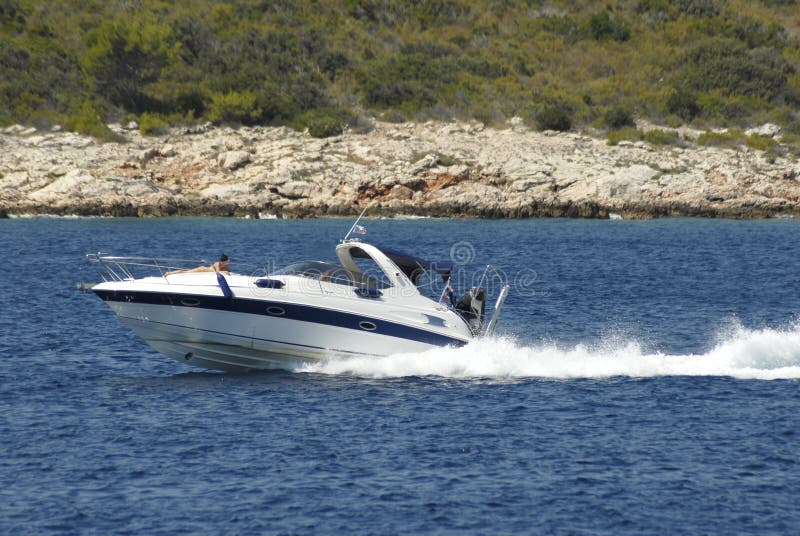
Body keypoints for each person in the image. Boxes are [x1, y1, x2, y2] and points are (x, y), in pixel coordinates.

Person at [165, 254, 230, 276]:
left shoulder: (224, 266)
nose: (229, 261)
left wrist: (226, 270)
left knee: (186, 271)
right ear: (225, 261)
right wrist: (225, 271)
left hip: (204, 271)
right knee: (185, 272)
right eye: (228, 260)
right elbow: (218, 272)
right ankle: (169, 273)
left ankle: (170, 272)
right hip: (202, 269)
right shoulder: (217, 264)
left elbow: (229, 271)